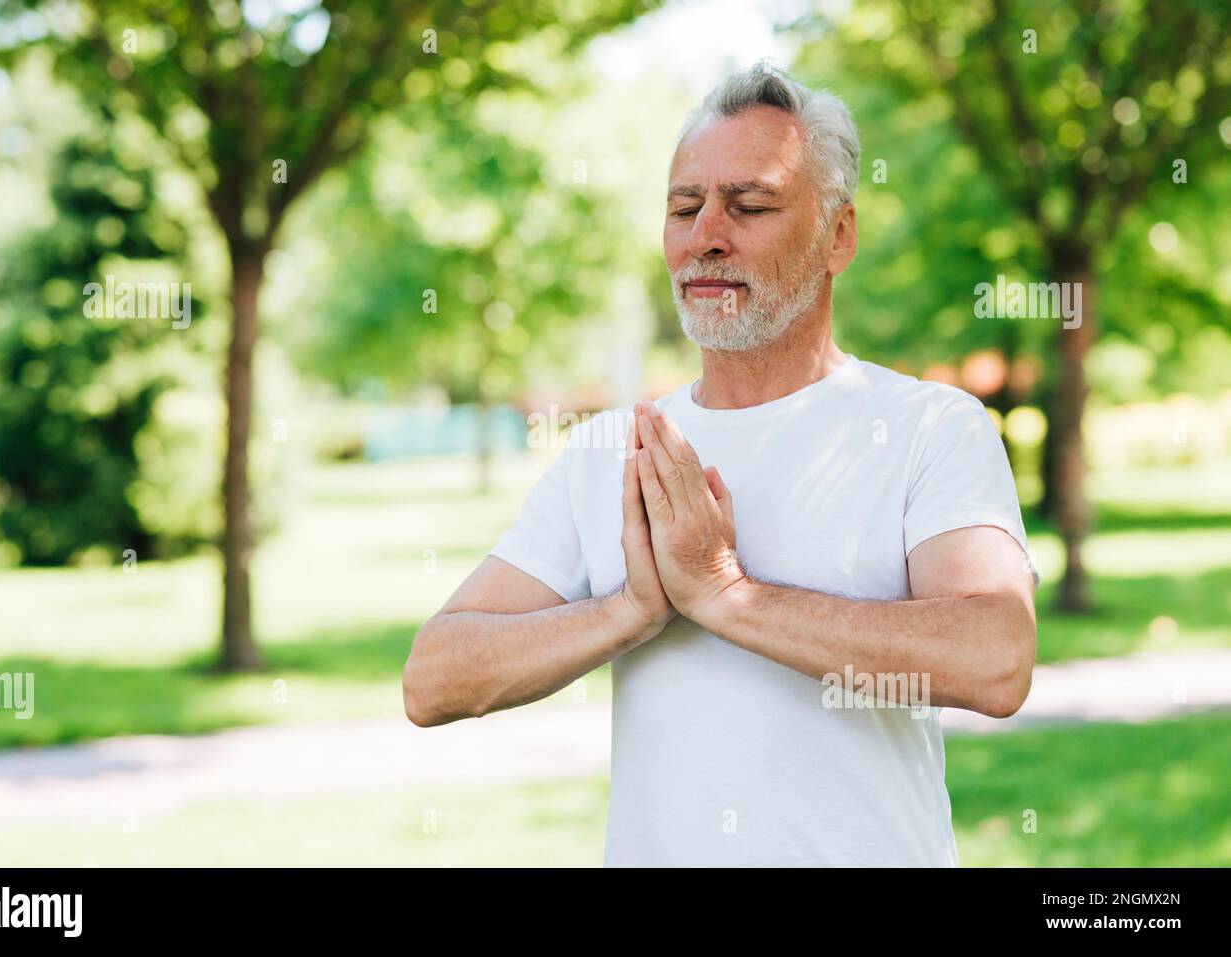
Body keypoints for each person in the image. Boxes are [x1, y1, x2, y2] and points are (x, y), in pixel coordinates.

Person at [403, 60, 1039, 867]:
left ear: (838, 233)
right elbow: (433, 678)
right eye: (684, 207)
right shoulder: (615, 449)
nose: (706, 235)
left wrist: (727, 594)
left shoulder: (928, 427)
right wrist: (628, 610)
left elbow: (996, 657)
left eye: (750, 205)